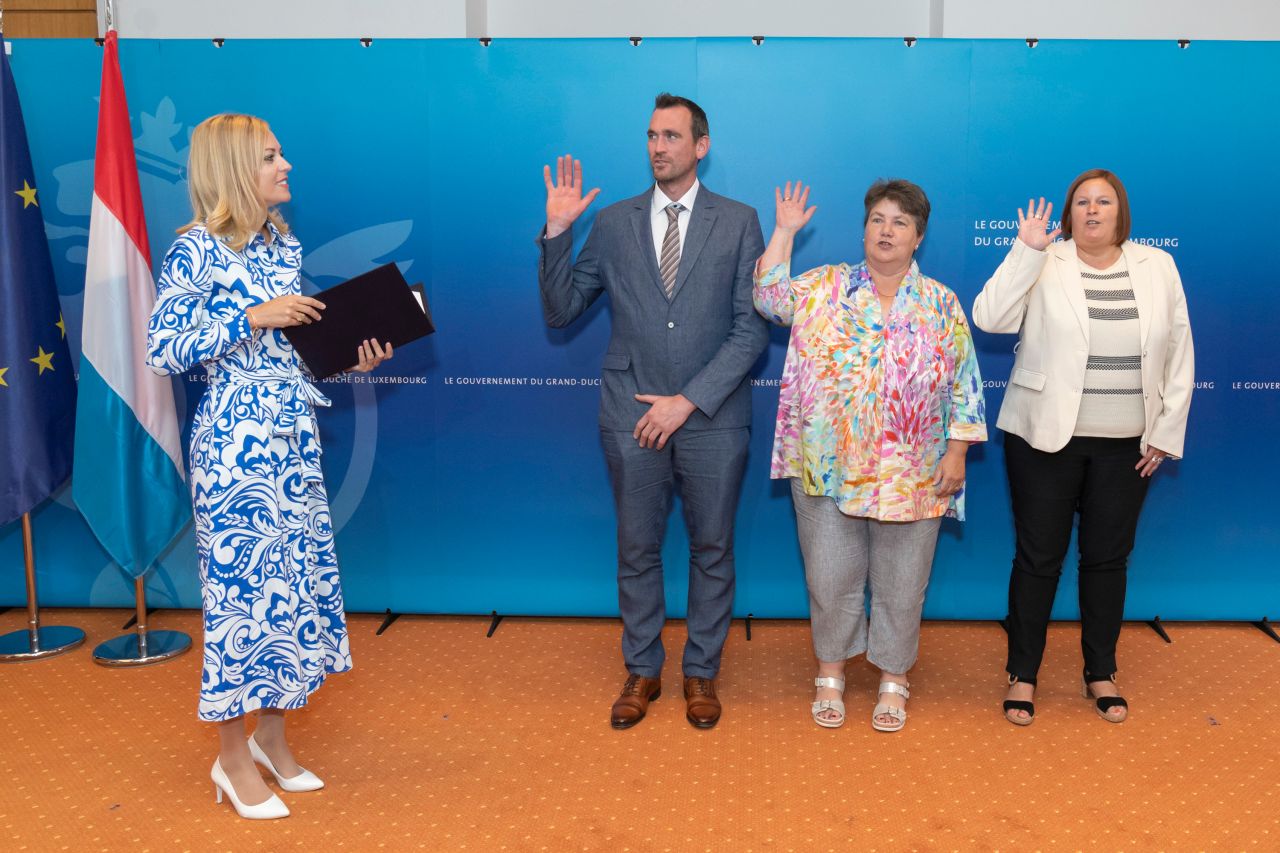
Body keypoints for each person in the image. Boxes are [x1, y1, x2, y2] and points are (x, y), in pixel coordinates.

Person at [145, 113, 392, 818]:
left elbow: (291, 351)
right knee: (241, 601)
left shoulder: (280, 244)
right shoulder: (194, 249)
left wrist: (351, 356)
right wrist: (251, 316)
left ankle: (273, 742)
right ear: (233, 170)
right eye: (271, 157)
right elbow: (165, 346)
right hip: (234, 447)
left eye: (283, 153)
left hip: (292, 440)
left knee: (293, 590)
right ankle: (229, 758)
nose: (287, 166)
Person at [538, 93, 769, 730]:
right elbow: (561, 311)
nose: (657, 147)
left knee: (711, 548)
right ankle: (642, 670)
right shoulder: (611, 222)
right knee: (637, 548)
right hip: (629, 411)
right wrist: (559, 231)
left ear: (701, 145)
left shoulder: (740, 221)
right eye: (650, 136)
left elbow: (751, 332)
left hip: (712, 418)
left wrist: (687, 400)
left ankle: (701, 674)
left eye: (671, 136)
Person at [754, 179, 986, 731]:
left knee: (904, 583)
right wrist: (784, 231)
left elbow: (966, 385)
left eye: (900, 222)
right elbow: (768, 300)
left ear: (918, 237)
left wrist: (956, 453)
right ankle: (830, 674)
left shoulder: (941, 304)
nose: (887, 231)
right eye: (878, 219)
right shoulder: (825, 285)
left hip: (914, 471)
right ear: (864, 229)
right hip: (828, 465)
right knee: (830, 578)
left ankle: (893, 678)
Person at [972, 169, 1193, 726]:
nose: (1092, 210)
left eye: (1104, 201)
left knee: (1107, 561)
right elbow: (990, 318)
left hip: (1128, 446)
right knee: (1038, 559)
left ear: (1121, 211)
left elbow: (1179, 351)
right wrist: (1025, 250)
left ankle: (1101, 671)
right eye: (1081, 202)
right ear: (1069, 214)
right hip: (1044, 438)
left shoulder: (1157, 266)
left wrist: (1165, 432)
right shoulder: (1046, 259)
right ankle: (1022, 674)